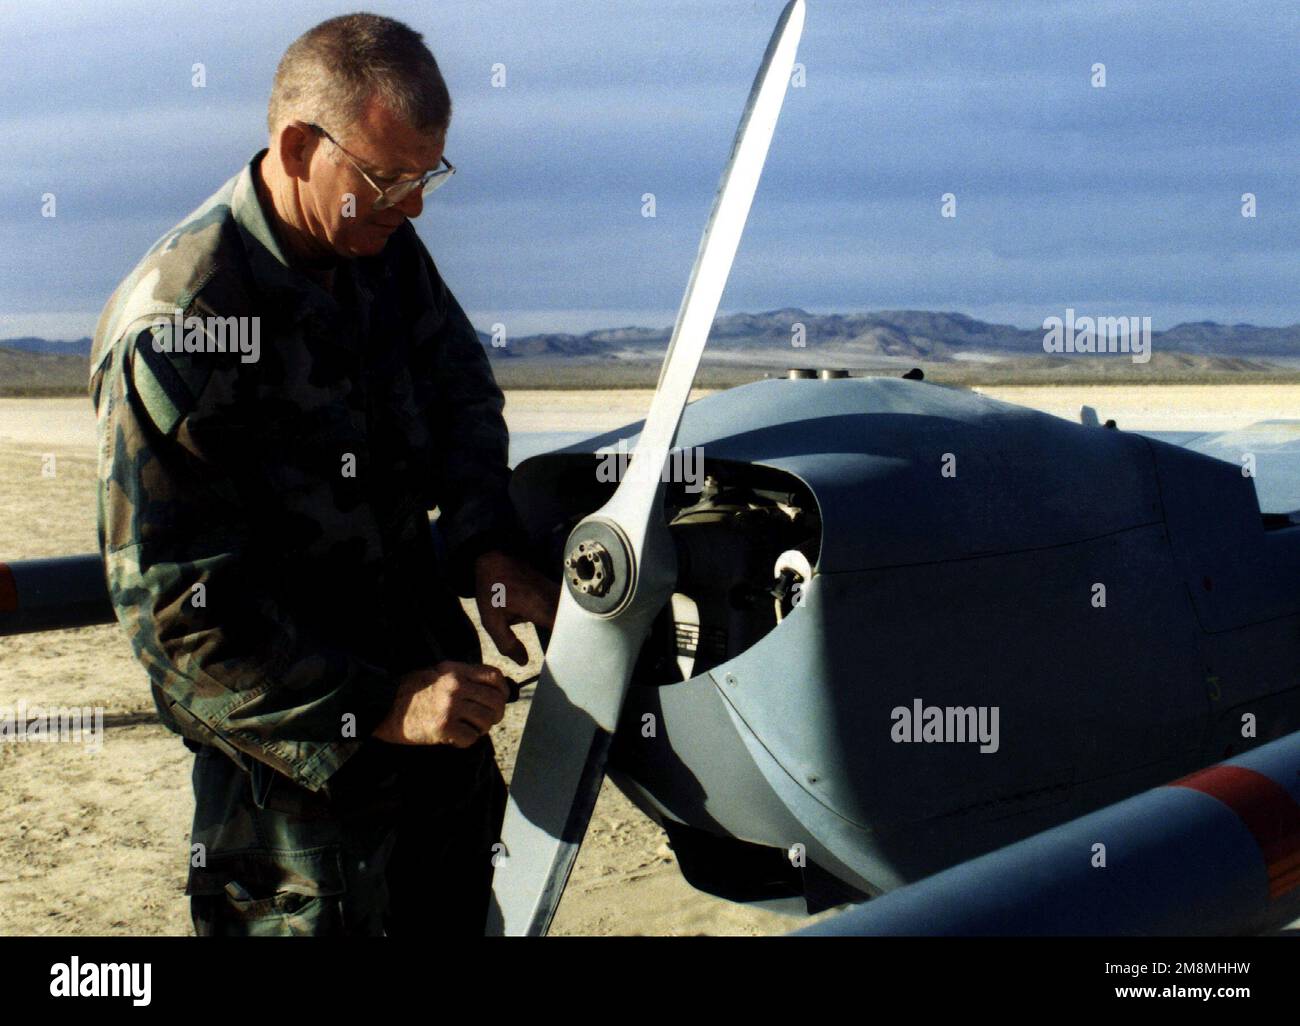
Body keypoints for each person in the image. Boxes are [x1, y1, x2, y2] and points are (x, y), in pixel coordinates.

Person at [88, 12, 558, 936]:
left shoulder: (377, 250)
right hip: (294, 820)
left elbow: (464, 400)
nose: (413, 205)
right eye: (389, 177)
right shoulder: (183, 322)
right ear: (298, 145)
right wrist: (381, 705)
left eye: (429, 177)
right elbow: (178, 619)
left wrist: (487, 550)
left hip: (438, 763)